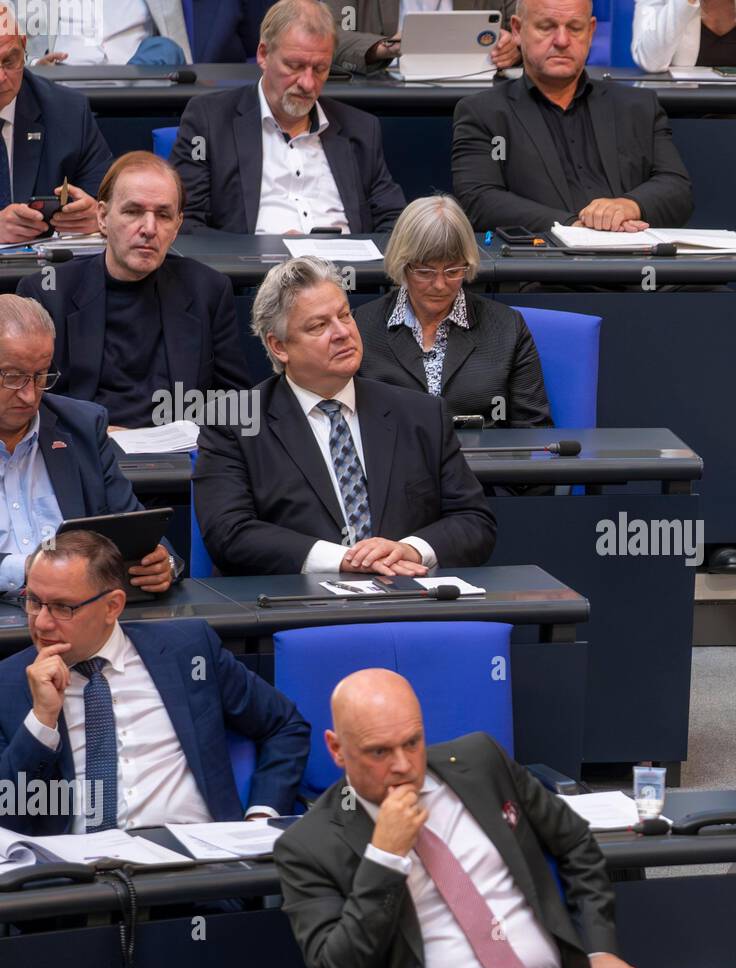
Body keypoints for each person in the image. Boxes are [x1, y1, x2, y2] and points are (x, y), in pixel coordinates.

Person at [274, 668, 636, 968]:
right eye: (379, 752)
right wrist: (385, 860)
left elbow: (575, 843)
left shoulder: (481, 763)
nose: (403, 765)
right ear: (337, 749)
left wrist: (598, 946)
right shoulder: (308, 845)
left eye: (413, 743)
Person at [194, 256, 497, 576]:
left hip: (407, 598)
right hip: (301, 607)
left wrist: (411, 549)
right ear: (279, 346)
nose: (342, 332)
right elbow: (229, 533)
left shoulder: (421, 414)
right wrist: (343, 559)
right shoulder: (234, 422)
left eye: (344, 316)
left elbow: (474, 522)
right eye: (319, 325)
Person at [0, 530, 310, 835]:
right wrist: (42, 720)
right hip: (78, 872)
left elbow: (284, 726)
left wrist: (261, 817)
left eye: (62, 608)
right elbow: (8, 815)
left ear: (112, 606)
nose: (41, 622)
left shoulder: (187, 651)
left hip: (198, 861)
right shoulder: (9, 683)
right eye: (34, 602)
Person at [16, 153, 249, 430]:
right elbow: (25, 400)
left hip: (178, 458)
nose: (149, 229)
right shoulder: (48, 293)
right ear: (103, 217)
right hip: (84, 455)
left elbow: (236, 402)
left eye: (163, 215)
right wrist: (96, 432)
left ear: (177, 226)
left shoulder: (207, 289)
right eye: (133, 211)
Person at [452, 0, 693, 233]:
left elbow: (677, 189)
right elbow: (479, 201)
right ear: (517, 29)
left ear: (591, 31)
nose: (562, 41)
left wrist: (629, 205)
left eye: (575, 28)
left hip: (634, 264)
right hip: (540, 266)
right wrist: (573, 226)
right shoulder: (485, 113)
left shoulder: (637, 106)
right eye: (546, 27)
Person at [171, 0, 406, 235]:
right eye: (294, 66)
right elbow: (185, 223)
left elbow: (394, 222)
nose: (307, 83)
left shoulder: (361, 128)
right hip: (254, 268)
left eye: (320, 69)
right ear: (263, 54)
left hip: (346, 269)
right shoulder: (210, 120)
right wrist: (267, 251)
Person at [0, 295, 180, 595]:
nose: (30, 396)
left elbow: (133, 527)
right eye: (13, 377)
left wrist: (163, 563)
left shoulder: (81, 426)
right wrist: (33, 568)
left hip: (87, 616)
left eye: (40, 375)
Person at [355, 196, 552, 427]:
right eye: (425, 271)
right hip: (393, 460)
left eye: (452, 270)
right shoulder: (361, 326)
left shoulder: (508, 327)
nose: (439, 285)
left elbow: (533, 427)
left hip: (482, 462)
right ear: (402, 264)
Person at [0, 9, 113, 244]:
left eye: (9, 61)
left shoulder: (68, 112)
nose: (1, 77)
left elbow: (112, 201)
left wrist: (101, 216)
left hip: (46, 272)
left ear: (23, 47)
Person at [323, 0, 521, 73]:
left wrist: (514, 50)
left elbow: (532, 31)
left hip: (477, 99)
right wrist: (389, 47)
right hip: (380, 102)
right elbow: (328, 37)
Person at [25, 0, 192, 66]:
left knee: (165, 49)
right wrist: (36, 64)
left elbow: (177, 44)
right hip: (64, 84)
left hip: (136, 86)